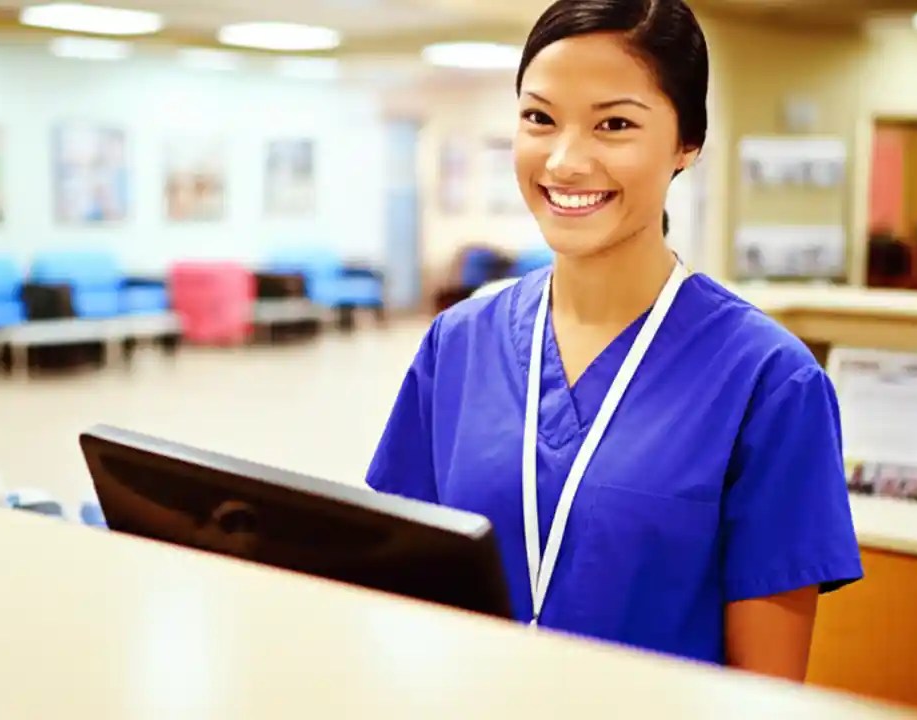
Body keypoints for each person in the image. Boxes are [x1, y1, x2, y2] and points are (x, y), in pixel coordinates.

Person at [365, 0, 862, 681]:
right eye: (539, 118)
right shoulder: (457, 347)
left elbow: (765, 694)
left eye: (616, 124)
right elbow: (396, 594)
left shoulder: (770, 384)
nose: (566, 162)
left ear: (688, 142)